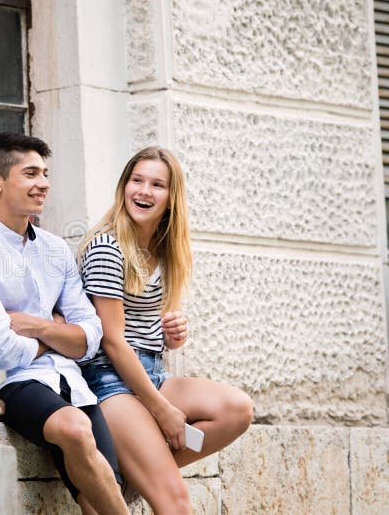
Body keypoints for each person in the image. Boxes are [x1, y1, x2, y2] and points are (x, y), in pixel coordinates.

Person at [0, 133, 129, 514]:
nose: (43, 183)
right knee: (76, 429)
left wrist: (37, 327)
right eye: (30, 173)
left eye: (45, 173)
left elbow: (91, 335)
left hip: (70, 383)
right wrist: (57, 332)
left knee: (101, 495)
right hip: (8, 384)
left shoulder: (55, 249)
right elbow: (2, 352)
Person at [78, 146, 253, 514]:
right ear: (124, 186)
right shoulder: (108, 248)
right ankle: (139, 475)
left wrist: (171, 337)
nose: (143, 191)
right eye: (136, 180)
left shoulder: (162, 250)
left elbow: (145, 330)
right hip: (110, 382)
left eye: (157, 184)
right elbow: (112, 340)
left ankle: (126, 476)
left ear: (171, 199)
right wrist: (161, 410)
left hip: (152, 373)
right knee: (175, 502)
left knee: (237, 409)